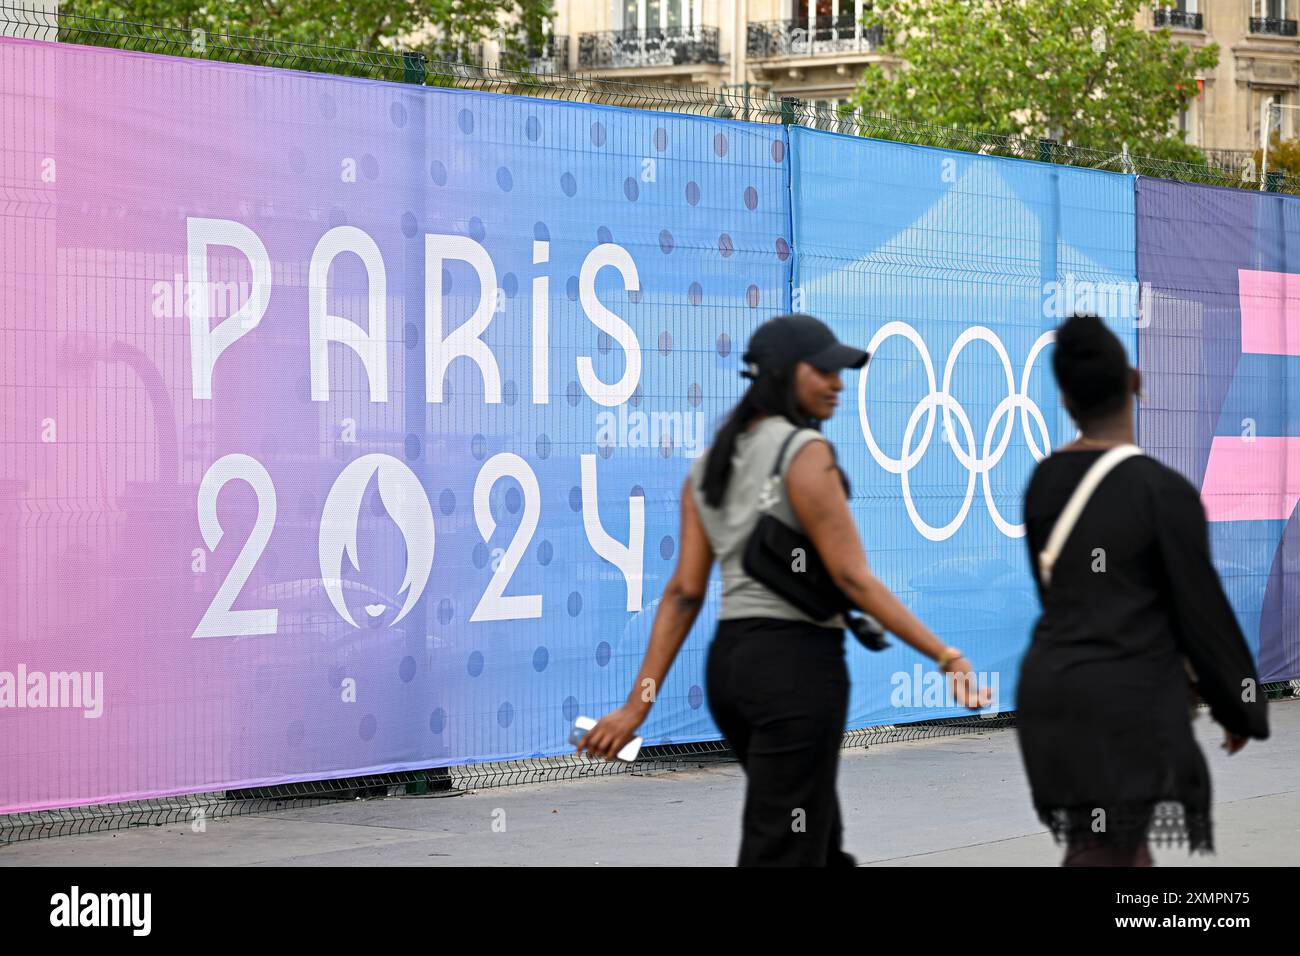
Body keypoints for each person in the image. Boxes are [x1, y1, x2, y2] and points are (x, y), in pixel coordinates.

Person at [576, 313, 990, 866]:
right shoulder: (804, 452)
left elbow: (683, 594)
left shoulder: (710, 467)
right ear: (783, 375)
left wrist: (637, 705)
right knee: (786, 844)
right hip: (794, 669)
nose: (838, 384)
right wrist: (946, 656)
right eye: (823, 371)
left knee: (813, 834)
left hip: (733, 670)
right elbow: (851, 577)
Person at [1018, 313, 1270, 866]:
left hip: (1051, 689)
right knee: (1105, 847)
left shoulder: (1042, 482)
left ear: (1064, 398)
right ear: (1135, 381)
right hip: (1123, 696)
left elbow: (1064, 595)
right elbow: (1201, 614)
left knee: (1114, 843)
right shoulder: (1163, 492)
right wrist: (1239, 704)